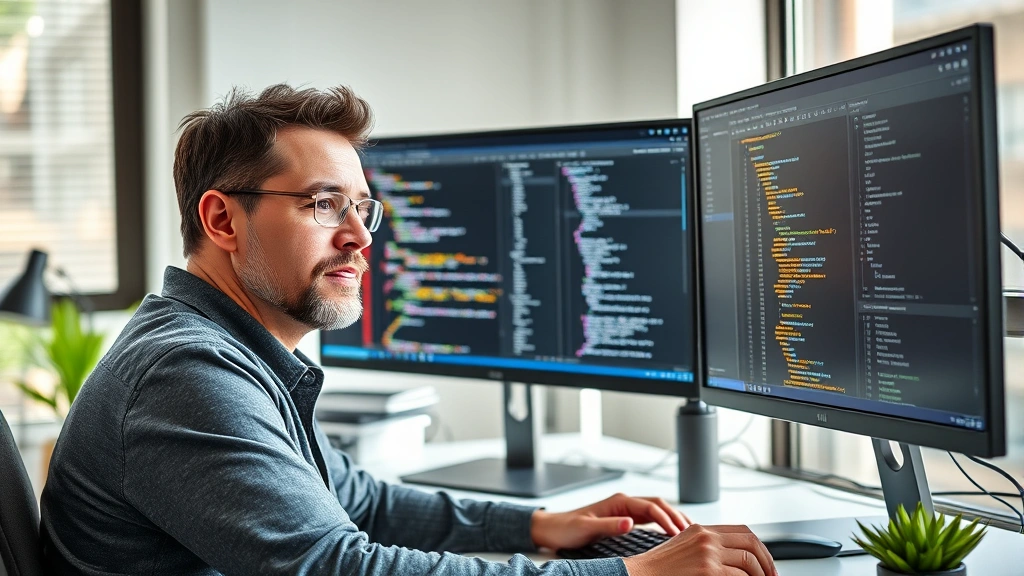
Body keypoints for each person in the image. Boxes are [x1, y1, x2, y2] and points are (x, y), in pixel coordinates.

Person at [39, 84, 777, 576]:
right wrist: (629, 570)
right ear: (222, 220)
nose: (361, 240)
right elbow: (341, 567)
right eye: (324, 204)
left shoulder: (231, 351)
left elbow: (357, 501)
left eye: (364, 209)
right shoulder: (186, 375)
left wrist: (540, 527)